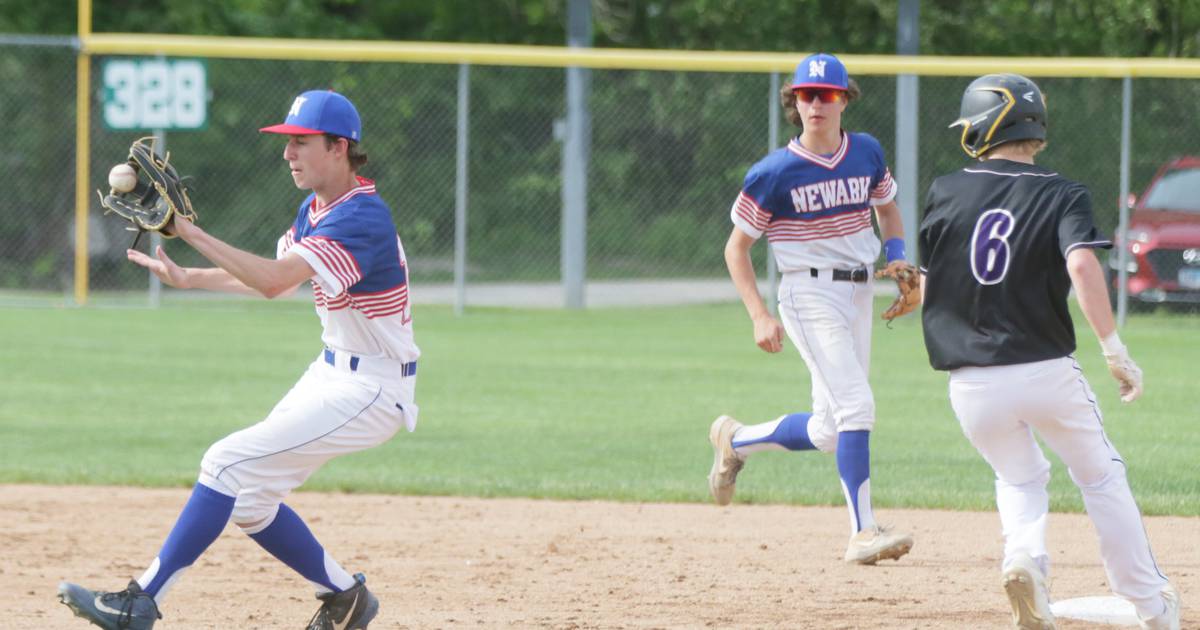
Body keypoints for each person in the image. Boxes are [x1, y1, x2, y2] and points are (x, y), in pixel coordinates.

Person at [58, 89, 418, 630]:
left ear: (339, 147)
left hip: (372, 389)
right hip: (334, 371)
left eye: (301, 142)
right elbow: (277, 281)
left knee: (224, 462)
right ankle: (346, 598)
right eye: (286, 142)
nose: (287, 153)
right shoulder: (317, 209)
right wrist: (189, 277)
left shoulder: (361, 217)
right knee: (250, 500)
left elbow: (272, 280)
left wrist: (187, 232)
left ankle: (140, 603)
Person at [918, 73, 1180, 630]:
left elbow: (929, 278)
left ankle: (1025, 561)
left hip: (970, 382)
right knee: (1100, 476)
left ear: (983, 126)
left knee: (1019, 477)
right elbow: (1082, 265)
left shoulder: (945, 188)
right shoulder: (1063, 192)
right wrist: (1114, 349)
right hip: (1044, 370)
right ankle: (1151, 603)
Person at [708, 52, 914, 565]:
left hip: (859, 292)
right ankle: (863, 533)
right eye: (806, 95)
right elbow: (736, 248)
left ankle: (736, 440)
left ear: (844, 100)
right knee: (857, 407)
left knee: (829, 430)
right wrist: (759, 315)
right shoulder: (773, 173)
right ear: (794, 103)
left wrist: (897, 259)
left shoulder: (865, 152)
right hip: (808, 294)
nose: (816, 103)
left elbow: (888, 211)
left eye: (826, 94)